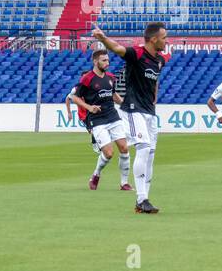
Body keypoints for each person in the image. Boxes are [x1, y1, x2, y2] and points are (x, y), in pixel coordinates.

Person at [93, 22, 169, 215]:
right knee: (143, 148)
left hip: (149, 112)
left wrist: (154, 100)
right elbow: (118, 48)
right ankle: (141, 198)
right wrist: (102, 39)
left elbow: (155, 81)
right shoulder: (137, 54)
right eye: (164, 37)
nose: (166, 41)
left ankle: (144, 202)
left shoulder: (160, 60)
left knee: (150, 155)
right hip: (133, 109)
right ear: (153, 39)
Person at [66, 47, 132, 190]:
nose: (107, 63)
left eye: (107, 60)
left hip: (113, 116)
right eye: (104, 60)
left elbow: (113, 95)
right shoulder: (87, 78)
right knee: (108, 153)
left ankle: (124, 183)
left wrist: (126, 105)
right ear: (95, 62)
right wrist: (89, 107)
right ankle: (96, 175)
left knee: (124, 148)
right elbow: (73, 97)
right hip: (97, 120)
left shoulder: (110, 77)